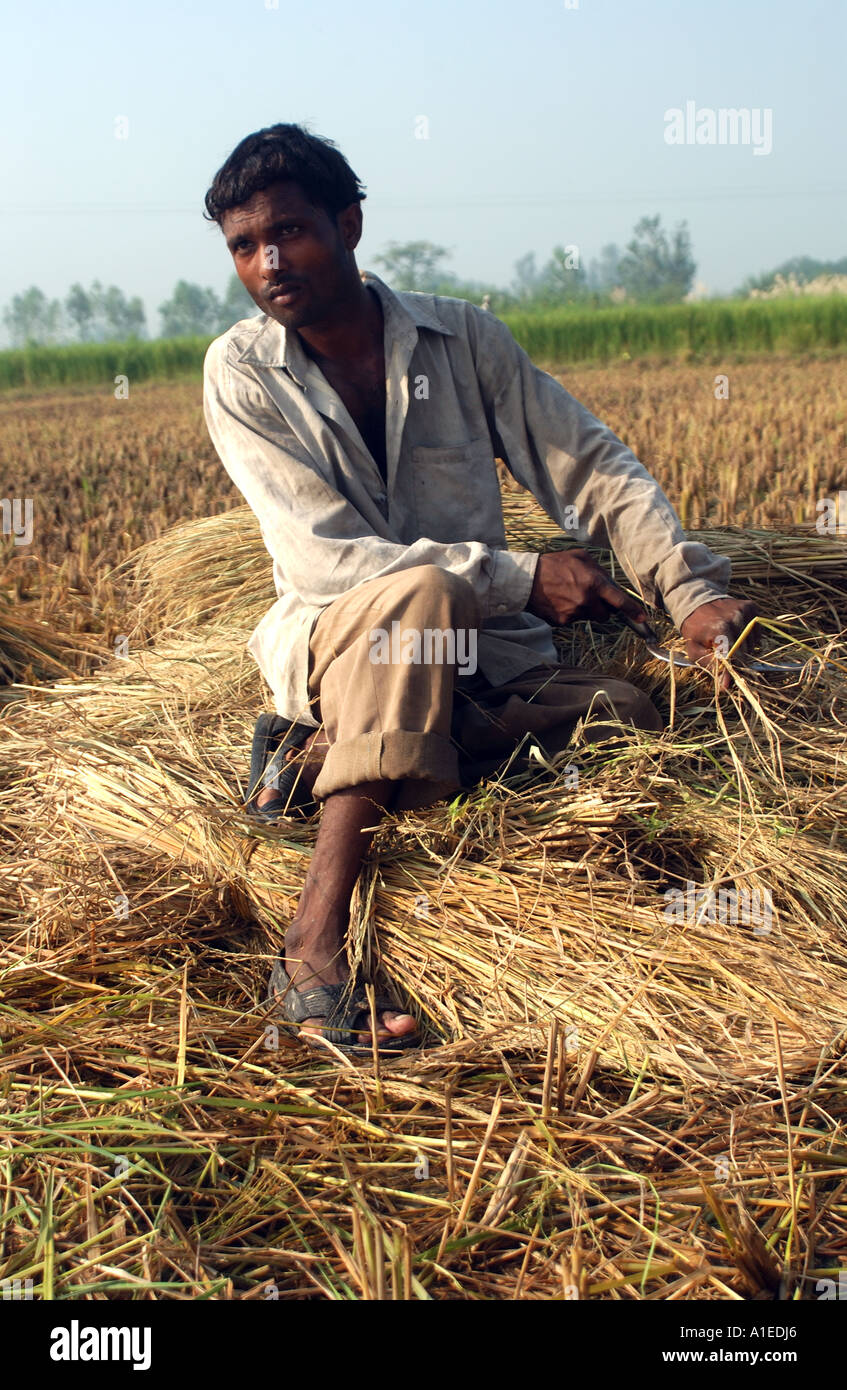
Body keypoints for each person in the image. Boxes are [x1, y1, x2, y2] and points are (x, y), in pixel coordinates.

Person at [201, 122, 756, 1055]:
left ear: (349, 223)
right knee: (417, 602)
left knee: (622, 709)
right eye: (243, 248)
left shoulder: (461, 338)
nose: (268, 263)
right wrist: (517, 576)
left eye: (288, 232)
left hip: (477, 652)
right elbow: (322, 562)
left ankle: (312, 758)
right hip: (339, 634)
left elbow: (591, 468)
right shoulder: (241, 371)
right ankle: (310, 949)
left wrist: (687, 591)